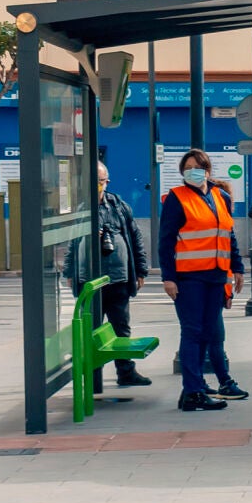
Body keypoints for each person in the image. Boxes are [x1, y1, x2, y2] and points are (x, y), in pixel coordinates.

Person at [160, 150, 246, 412]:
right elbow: (165, 241)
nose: (192, 172)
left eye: (197, 167)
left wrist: (237, 267)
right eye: (187, 168)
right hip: (189, 277)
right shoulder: (177, 198)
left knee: (208, 332)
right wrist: (168, 278)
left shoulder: (221, 197)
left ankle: (193, 389)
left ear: (207, 170)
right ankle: (193, 391)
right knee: (193, 332)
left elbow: (228, 235)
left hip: (216, 275)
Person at [62, 164, 152, 389]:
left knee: (121, 328)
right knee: (91, 330)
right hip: (90, 281)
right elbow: (73, 243)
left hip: (117, 278)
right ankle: (93, 378)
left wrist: (141, 270)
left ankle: (126, 372)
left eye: (100, 181)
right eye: (93, 181)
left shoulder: (119, 207)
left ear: (107, 182)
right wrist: (69, 272)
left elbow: (135, 238)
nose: (97, 185)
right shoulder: (81, 209)